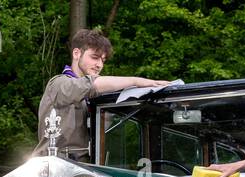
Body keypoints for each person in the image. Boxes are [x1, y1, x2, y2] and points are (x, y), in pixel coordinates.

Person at [35, 29, 170, 160]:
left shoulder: (94, 99)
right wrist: (137, 81)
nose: (99, 65)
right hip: (51, 173)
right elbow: (91, 84)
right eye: (94, 57)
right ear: (76, 53)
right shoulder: (58, 84)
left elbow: (97, 137)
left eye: (103, 60)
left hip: (83, 171)